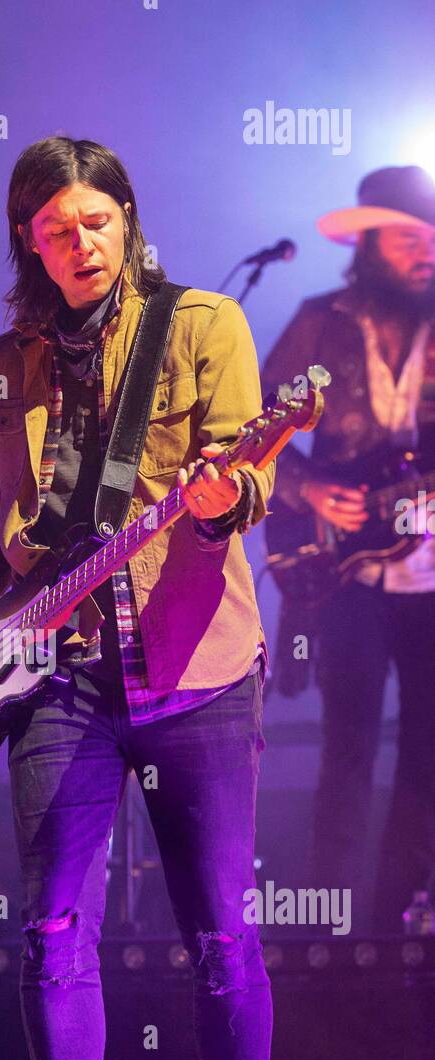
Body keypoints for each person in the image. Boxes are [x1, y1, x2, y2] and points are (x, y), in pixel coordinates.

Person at [0, 135, 276, 1060]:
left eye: (97, 222)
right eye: (57, 230)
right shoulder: (5, 363)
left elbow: (248, 478)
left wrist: (217, 497)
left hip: (194, 669)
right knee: (53, 933)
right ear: (28, 241)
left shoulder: (201, 325)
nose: (82, 244)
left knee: (218, 936)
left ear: (127, 219)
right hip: (54, 683)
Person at [262, 166, 435, 933]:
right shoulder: (319, 321)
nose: (425, 253)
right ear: (369, 244)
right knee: (349, 748)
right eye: (407, 238)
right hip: (340, 570)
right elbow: (253, 434)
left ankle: (399, 924)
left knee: (429, 754)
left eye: (432, 240)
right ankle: (325, 937)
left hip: (430, 571)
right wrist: (311, 494)